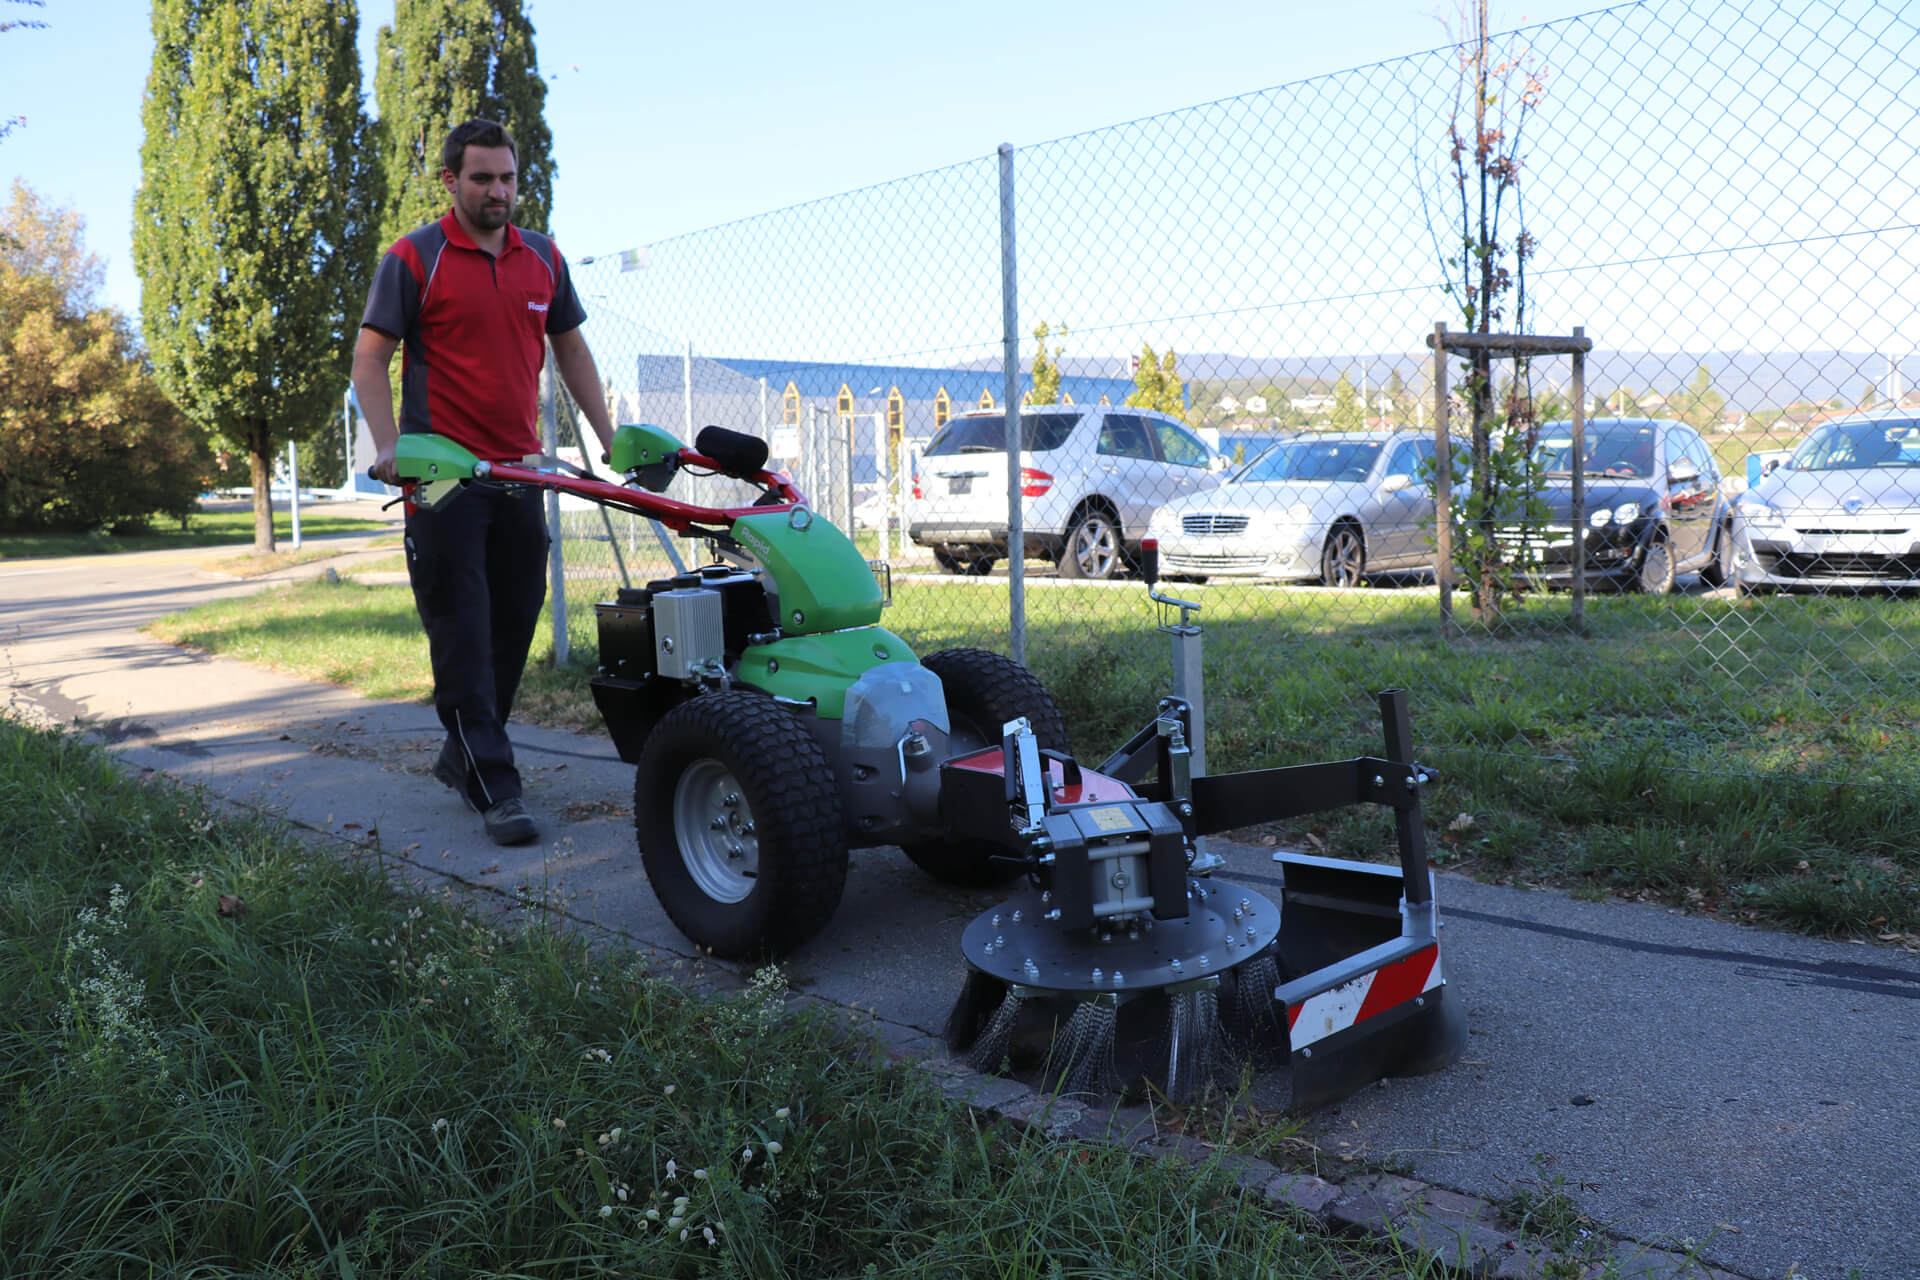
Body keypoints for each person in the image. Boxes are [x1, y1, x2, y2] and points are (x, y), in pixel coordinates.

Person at [353, 118, 615, 846]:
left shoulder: (543, 260)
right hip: (440, 475)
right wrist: (389, 445)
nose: (497, 191)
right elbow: (369, 359)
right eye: (482, 179)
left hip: (516, 469)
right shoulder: (415, 258)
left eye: (507, 178)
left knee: (514, 616)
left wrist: (608, 436)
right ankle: (496, 784)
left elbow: (571, 349)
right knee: (462, 626)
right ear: (450, 181)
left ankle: (462, 749)